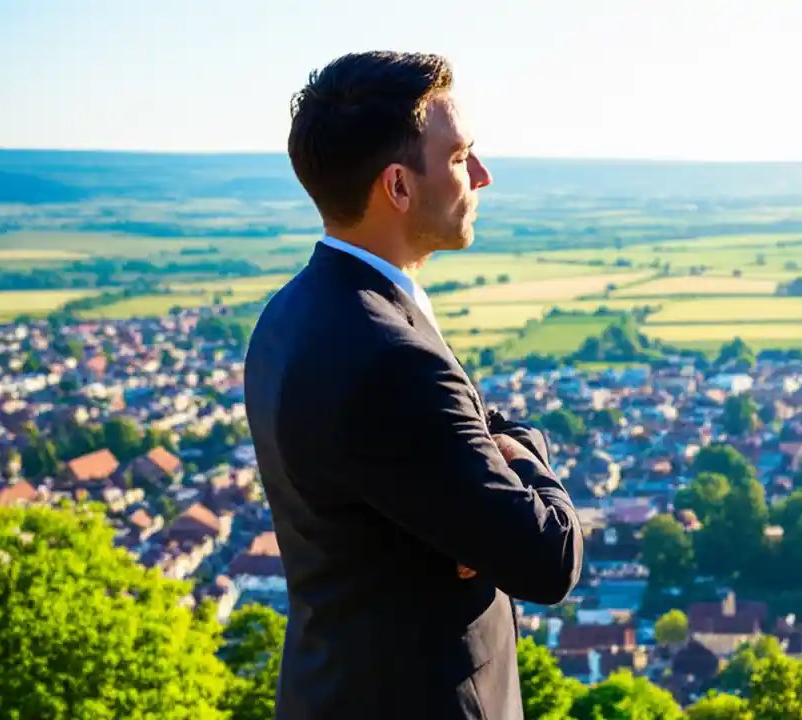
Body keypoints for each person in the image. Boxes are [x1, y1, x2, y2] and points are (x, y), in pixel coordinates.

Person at [244, 51, 583, 720]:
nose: (482, 175)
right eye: (459, 157)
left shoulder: (293, 312)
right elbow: (548, 557)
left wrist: (470, 495)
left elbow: (388, 502)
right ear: (398, 186)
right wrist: (525, 450)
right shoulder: (392, 357)